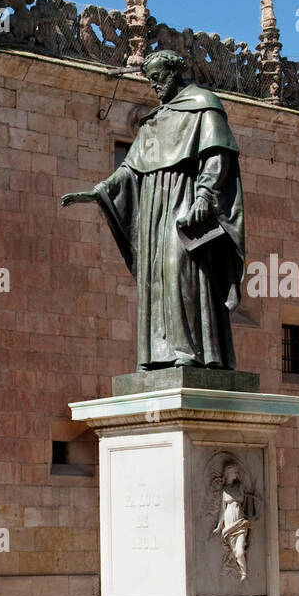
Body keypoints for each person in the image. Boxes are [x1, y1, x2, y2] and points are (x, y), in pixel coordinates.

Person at [62, 50, 245, 370]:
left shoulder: (204, 105)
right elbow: (131, 170)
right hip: (153, 213)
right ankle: (161, 354)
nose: (155, 86)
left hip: (185, 202)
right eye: (151, 80)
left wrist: (204, 197)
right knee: (156, 278)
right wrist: (99, 192)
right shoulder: (155, 121)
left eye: (159, 78)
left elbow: (217, 156)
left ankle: (194, 351)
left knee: (182, 269)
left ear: (176, 72)